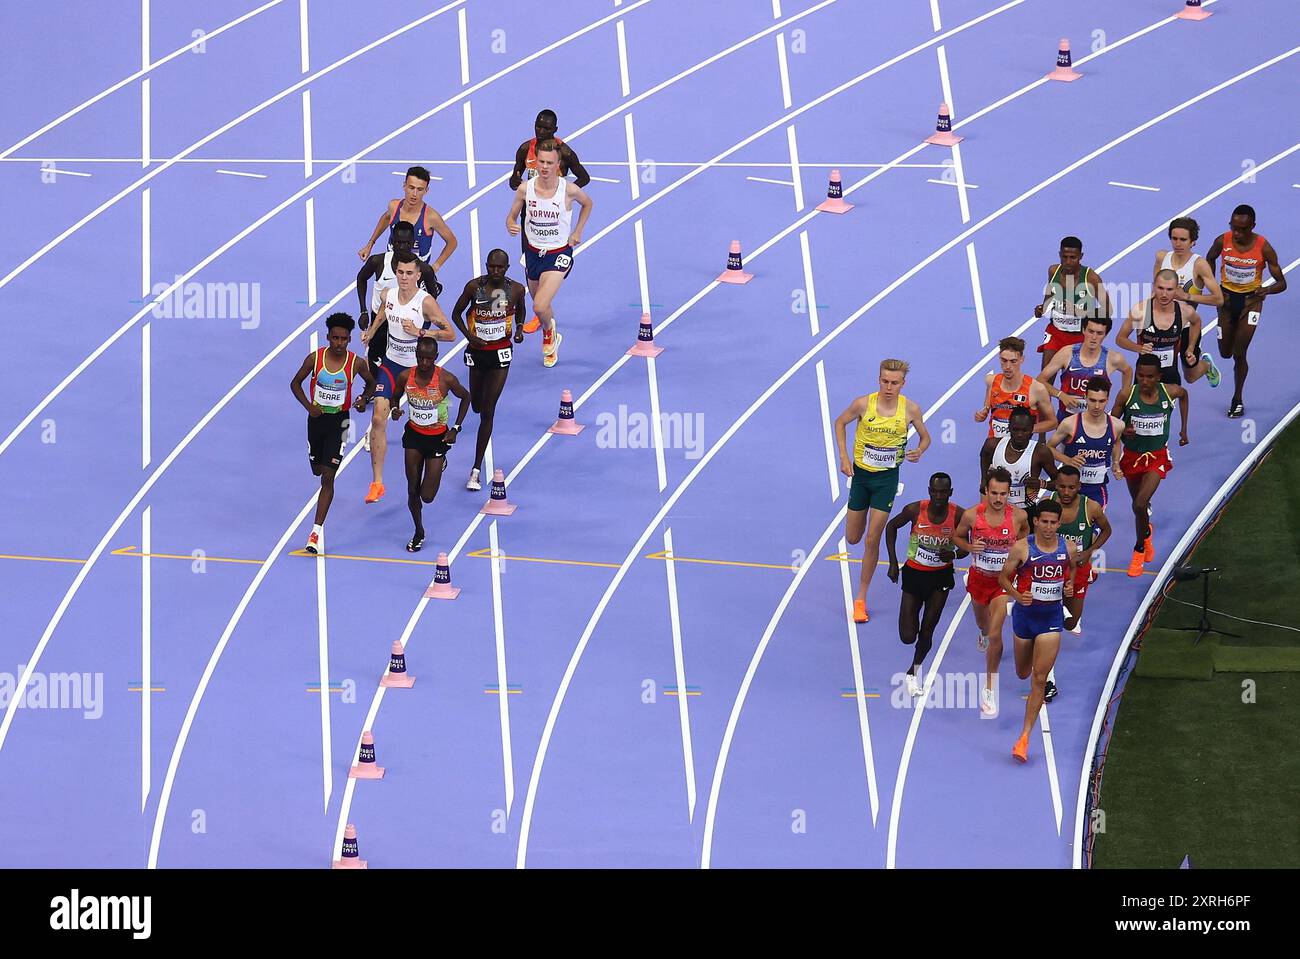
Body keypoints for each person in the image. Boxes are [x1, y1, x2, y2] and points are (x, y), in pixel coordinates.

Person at [835, 359, 931, 625]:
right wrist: (844, 457)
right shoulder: (862, 404)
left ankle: (861, 599)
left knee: (871, 539)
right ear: (878, 380)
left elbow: (926, 437)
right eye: (885, 381)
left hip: (887, 480)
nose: (889, 387)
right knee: (853, 538)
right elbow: (840, 423)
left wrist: (919, 451)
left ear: (903, 383)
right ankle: (861, 596)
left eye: (894, 383)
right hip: (861, 477)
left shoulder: (910, 409)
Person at [359, 251, 455, 503]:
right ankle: (377, 483)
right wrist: (371, 331)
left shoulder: (425, 302)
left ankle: (437, 454)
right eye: (400, 272)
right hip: (391, 364)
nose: (403, 277)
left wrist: (422, 331)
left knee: (425, 422)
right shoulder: (388, 294)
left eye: (409, 273)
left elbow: (450, 334)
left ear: (418, 275)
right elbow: (383, 312)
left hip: (418, 371)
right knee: (379, 416)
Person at [289, 314, 377, 554]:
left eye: (344, 339)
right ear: (328, 337)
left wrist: (363, 399)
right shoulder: (315, 359)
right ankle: (318, 463)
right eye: (335, 338)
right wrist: (309, 407)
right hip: (316, 421)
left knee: (328, 477)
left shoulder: (356, 363)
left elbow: (372, 383)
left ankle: (315, 533)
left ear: (350, 340)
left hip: (340, 422)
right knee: (317, 469)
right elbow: (295, 383)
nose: (339, 343)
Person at [505, 139, 593, 367]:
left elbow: (588, 204)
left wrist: (578, 231)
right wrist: (510, 223)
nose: (544, 167)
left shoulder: (569, 190)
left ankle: (547, 334)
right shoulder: (526, 189)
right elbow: (512, 214)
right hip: (532, 253)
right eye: (541, 162)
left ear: (558, 165)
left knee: (539, 305)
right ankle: (552, 331)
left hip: (558, 253)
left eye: (549, 163)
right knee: (541, 302)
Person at [1000, 500, 1076, 763]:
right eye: (1044, 521)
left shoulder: (1068, 547)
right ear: (1035, 521)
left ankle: (1024, 738)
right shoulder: (1022, 548)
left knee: (1040, 678)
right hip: (1024, 618)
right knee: (1023, 672)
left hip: (1051, 619)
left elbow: (1072, 573)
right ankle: (1031, 657)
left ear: (1059, 523)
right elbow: (1003, 578)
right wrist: (1018, 596)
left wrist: (1069, 587)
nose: (1048, 527)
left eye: (1053, 522)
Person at [952, 468, 1029, 717]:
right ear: (986, 490)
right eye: (994, 493)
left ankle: (989, 688)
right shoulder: (973, 515)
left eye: (1003, 494)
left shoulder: (1018, 517)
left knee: (996, 634)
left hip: (1002, 583)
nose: (998, 498)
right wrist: (968, 545)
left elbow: (1026, 535)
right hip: (978, 579)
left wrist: (1017, 555)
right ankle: (982, 632)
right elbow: (957, 536)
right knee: (983, 625)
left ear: (1009, 494)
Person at [449, 249, 527, 490]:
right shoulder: (474, 287)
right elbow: (456, 314)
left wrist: (520, 327)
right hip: (476, 353)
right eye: (491, 267)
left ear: (506, 269)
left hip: (501, 353)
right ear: (486, 265)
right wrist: (469, 336)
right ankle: (480, 409)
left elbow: (521, 310)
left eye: (500, 268)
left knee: (488, 411)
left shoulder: (516, 290)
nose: (495, 271)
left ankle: (475, 469)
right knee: (476, 405)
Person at [885, 473, 966, 698]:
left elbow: (967, 546)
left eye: (943, 492)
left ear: (950, 493)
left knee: (928, 629)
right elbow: (891, 527)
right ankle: (917, 645)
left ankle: (913, 672)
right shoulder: (914, 510)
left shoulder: (958, 515)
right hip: (913, 575)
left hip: (940, 578)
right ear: (929, 491)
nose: (939, 496)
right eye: (935, 491)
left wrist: (954, 554)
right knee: (908, 636)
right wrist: (893, 562)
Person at [1205, 204, 1288, 417]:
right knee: (1225, 353)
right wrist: (1214, 287)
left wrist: (1266, 290)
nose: (1237, 233)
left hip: (1251, 303)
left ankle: (1237, 399)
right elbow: (1209, 258)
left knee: (1239, 353)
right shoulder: (1222, 241)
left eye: (1242, 229)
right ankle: (1207, 366)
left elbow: (1282, 283)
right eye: (1233, 227)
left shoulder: (1264, 247)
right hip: (1226, 301)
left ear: (1253, 226)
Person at [390, 338, 471, 552]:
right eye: (421, 358)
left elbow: (466, 397)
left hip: (438, 438)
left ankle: (440, 461)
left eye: (429, 359)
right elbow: (395, 395)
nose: (425, 363)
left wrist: (455, 428)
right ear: (416, 356)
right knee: (412, 489)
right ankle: (418, 531)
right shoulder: (405, 376)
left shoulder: (445, 379)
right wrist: (395, 409)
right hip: (414, 437)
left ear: (435, 357)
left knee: (427, 496)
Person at [1118, 354, 1189, 576]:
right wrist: (1124, 431)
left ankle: (1139, 550)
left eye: (1150, 377)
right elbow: (1113, 424)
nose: (1145, 381)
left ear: (1158, 376)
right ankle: (1146, 534)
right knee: (1137, 506)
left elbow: (1185, 395)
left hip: (1157, 457)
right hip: (1131, 457)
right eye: (1140, 376)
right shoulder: (1127, 395)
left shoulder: (1170, 391)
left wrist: (1183, 429)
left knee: (1140, 504)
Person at [355, 220, 442, 374]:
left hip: (405, 321)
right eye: (399, 242)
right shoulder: (378, 261)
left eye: (406, 243)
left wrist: (422, 326)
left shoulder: (423, 269)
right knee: (375, 356)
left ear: (413, 242)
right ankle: (375, 389)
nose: (402, 247)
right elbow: (361, 279)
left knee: (404, 361)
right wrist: (363, 311)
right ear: (392, 242)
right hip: (380, 319)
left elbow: (432, 295)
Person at [1115, 269, 1220, 388]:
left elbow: (1196, 322)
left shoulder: (1185, 311)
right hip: (1143, 377)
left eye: (1169, 289)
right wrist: (1139, 348)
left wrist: (1190, 348)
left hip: (1170, 377)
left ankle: (1206, 365)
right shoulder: (1141, 311)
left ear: (1176, 290)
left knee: (1189, 377)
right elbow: (1120, 339)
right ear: (1154, 287)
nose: (1164, 294)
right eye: (1160, 288)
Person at [357, 165, 458, 270]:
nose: (414, 194)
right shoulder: (393, 206)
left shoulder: (431, 217)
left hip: (416, 271)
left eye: (420, 189)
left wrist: (436, 266)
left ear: (426, 191)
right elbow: (387, 218)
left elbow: (452, 242)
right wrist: (370, 244)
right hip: (392, 265)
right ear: (404, 186)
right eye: (411, 188)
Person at [1032, 236, 1110, 371]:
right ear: (1059, 255)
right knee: (1044, 378)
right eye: (1064, 257)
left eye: (1073, 257)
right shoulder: (1053, 271)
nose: (1068, 262)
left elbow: (1107, 310)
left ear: (1081, 256)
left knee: (1070, 383)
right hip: (1055, 332)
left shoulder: (1091, 278)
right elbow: (1051, 291)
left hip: (1079, 338)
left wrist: (1080, 312)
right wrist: (1043, 308)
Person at [1046, 377, 1125, 509]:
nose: (1097, 406)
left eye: (1102, 401)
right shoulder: (1070, 424)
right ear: (1085, 397)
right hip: (1069, 490)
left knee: (1094, 528)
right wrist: (1067, 460)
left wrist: (1116, 463)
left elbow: (1116, 443)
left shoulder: (1117, 425)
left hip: (1097, 491)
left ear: (1108, 400)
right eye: (1092, 400)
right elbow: (1049, 447)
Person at [1051, 465, 1111, 636]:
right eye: (1062, 487)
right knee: (1046, 617)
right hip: (1052, 568)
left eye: (1071, 487)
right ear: (1056, 485)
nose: (1067, 492)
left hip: (1078, 568)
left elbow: (1107, 530)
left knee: (1070, 623)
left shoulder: (1091, 507)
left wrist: (1089, 552)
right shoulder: (1048, 504)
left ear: (1079, 486)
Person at [1037, 315, 1132, 419]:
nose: (1094, 338)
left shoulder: (1113, 358)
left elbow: (1127, 371)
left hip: (1095, 423)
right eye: (1091, 331)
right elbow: (1040, 380)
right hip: (1066, 419)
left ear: (1106, 334)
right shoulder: (1067, 353)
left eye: (1099, 333)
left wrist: (1124, 394)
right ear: (1083, 330)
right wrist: (1061, 395)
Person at [974, 336, 1057, 439]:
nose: (1008, 367)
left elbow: (1052, 423)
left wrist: (1025, 429)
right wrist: (982, 414)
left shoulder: (1036, 389)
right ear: (999, 357)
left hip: (1020, 449)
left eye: (1013, 361)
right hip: (994, 446)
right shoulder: (991, 381)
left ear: (1021, 359)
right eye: (1004, 360)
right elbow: (987, 407)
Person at [978, 406, 1057, 511]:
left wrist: (1042, 484)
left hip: (1026, 510)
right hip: (997, 509)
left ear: (1032, 429)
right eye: (1016, 429)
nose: (1020, 434)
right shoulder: (992, 445)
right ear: (1009, 427)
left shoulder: (1040, 452)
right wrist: (984, 479)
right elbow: (984, 456)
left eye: (1025, 430)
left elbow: (1059, 483)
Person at [1151, 216, 1225, 311]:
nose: (1178, 244)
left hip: (1185, 323)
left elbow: (1218, 299)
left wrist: (1186, 296)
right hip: (1159, 320)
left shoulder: (1199, 265)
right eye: (1174, 238)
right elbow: (1155, 290)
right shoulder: (1161, 257)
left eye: (1183, 240)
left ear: (1192, 242)